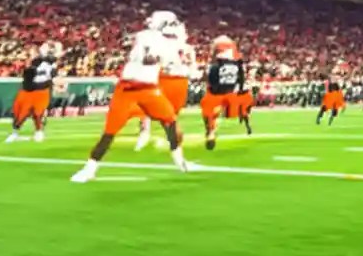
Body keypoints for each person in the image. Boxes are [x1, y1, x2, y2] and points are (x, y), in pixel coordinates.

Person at [71, 11, 196, 183]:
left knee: (171, 122)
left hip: (150, 89)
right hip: (127, 90)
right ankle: (89, 169)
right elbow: (147, 57)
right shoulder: (147, 37)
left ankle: (180, 161)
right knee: (109, 132)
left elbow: (168, 62)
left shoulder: (167, 43)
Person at [135, 16, 194, 152]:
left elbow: (151, 60)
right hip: (181, 82)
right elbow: (191, 66)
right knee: (170, 119)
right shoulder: (187, 47)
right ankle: (175, 144)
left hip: (165, 79)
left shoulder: (163, 44)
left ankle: (145, 132)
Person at [6, 41, 60, 143]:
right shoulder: (32, 63)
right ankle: (15, 133)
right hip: (28, 91)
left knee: (38, 113)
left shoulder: (48, 63)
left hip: (41, 91)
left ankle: (39, 132)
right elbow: (30, 70)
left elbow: (52, 71)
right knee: (20, 114)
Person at [201, 36, 245, 149]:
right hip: (230, 94)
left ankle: (211, 131)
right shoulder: (236, 65)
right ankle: (213, 125)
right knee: (217, 111)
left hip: (216, 94)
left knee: (207, 112)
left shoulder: (215, 66)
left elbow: (210, 80)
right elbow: (240, 79)